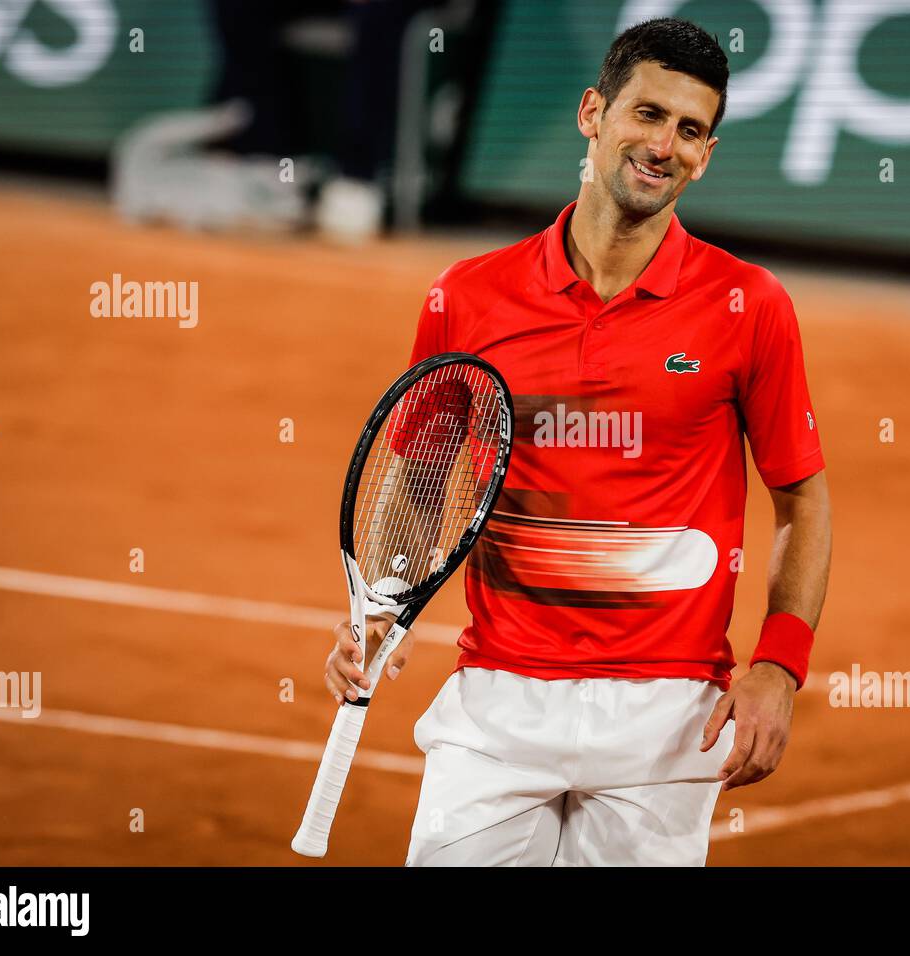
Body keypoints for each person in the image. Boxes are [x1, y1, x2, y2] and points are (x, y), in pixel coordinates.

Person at [323, 16, 832, 866]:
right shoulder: (467, 297)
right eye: (647, 114)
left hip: (668, 719)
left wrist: (780, 667)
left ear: (706, 154)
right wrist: (385, 606)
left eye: (690, 129)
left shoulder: (750, 307)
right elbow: (419, 478)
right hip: (499, 701)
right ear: (593, 112)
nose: (663, 144)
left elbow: (802, 496)